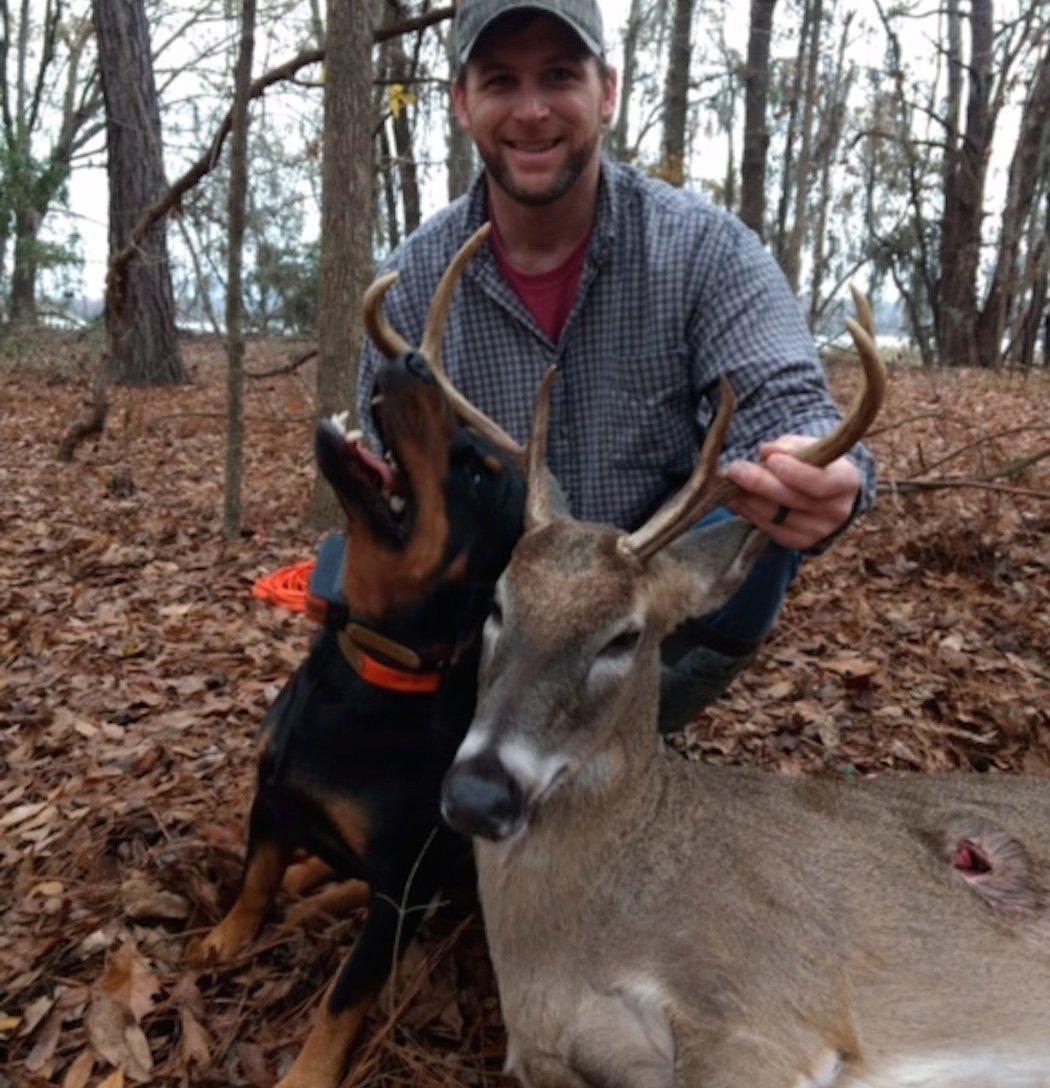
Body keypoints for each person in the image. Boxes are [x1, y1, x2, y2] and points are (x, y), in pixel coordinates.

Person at [356, 0, 876, 732]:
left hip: (645, 628)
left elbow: (791, 410)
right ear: (463, 104)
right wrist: (378, 494)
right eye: (501, 80)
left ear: (607, 91)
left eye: (560, 76)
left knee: (752, 518)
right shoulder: (413, 283)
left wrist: (820, 473)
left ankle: (631, 741)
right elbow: (388, 459)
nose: (532, 111)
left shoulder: (707, 253)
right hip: (490, 617)